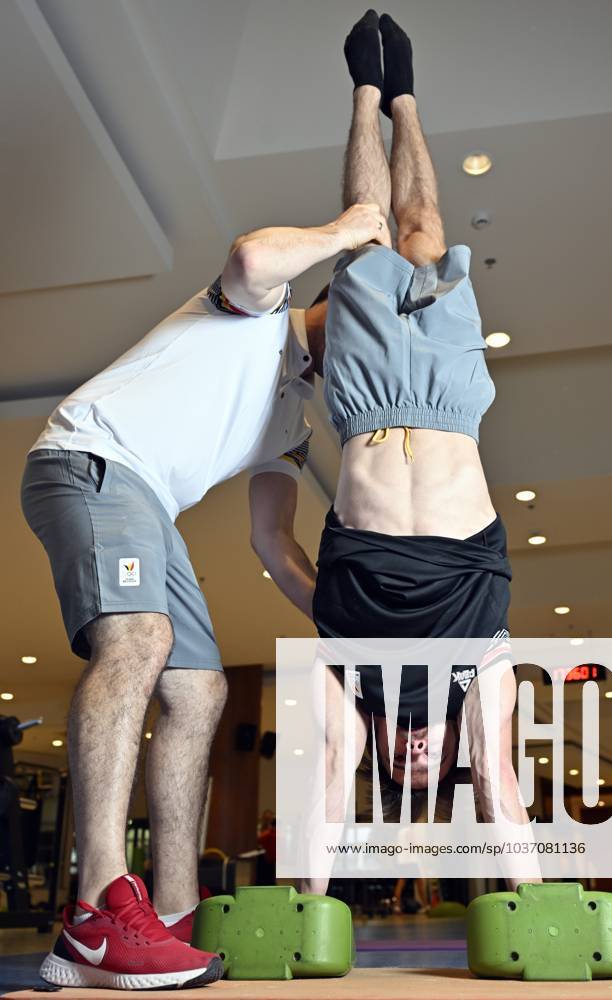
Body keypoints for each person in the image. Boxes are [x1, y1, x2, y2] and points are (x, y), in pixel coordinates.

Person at [22, 202, 388, 989]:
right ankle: (95, 912)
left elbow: (275, 545)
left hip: (149, 502)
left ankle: (176, 911)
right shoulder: (263, 312)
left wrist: (358, 632)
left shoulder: (292, 420)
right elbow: (253, 258)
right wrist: (347, 230)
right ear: (341, 309)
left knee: (200, 688)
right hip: (92, 460)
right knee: (142, 640)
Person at [300, 11, 539, 893]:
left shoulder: (347, 675)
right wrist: (531, 909)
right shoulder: (485, 665)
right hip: (448, 414)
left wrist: (309, 911)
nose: (411, 752)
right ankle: (405, 97)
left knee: (366, 230)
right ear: (448, 756)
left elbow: (330, 781)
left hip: (364, 407)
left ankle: (365, 89)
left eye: (396, 767)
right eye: (425, 761)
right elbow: (503, 784)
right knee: (426, 225)